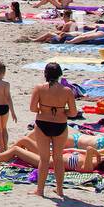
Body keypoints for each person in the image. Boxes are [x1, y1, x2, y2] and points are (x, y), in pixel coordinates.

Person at [29, 62, 77, 198]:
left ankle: (40, 190)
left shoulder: (39, 88)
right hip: (60, 124)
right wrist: (62, 111)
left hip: (43, 123)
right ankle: (60, 190)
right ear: (60, 74)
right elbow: (73, 113)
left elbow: (32, 108)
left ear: (45, 74)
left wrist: (44, 110)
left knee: (44, 159)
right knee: (58, 158)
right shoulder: (67, 91)